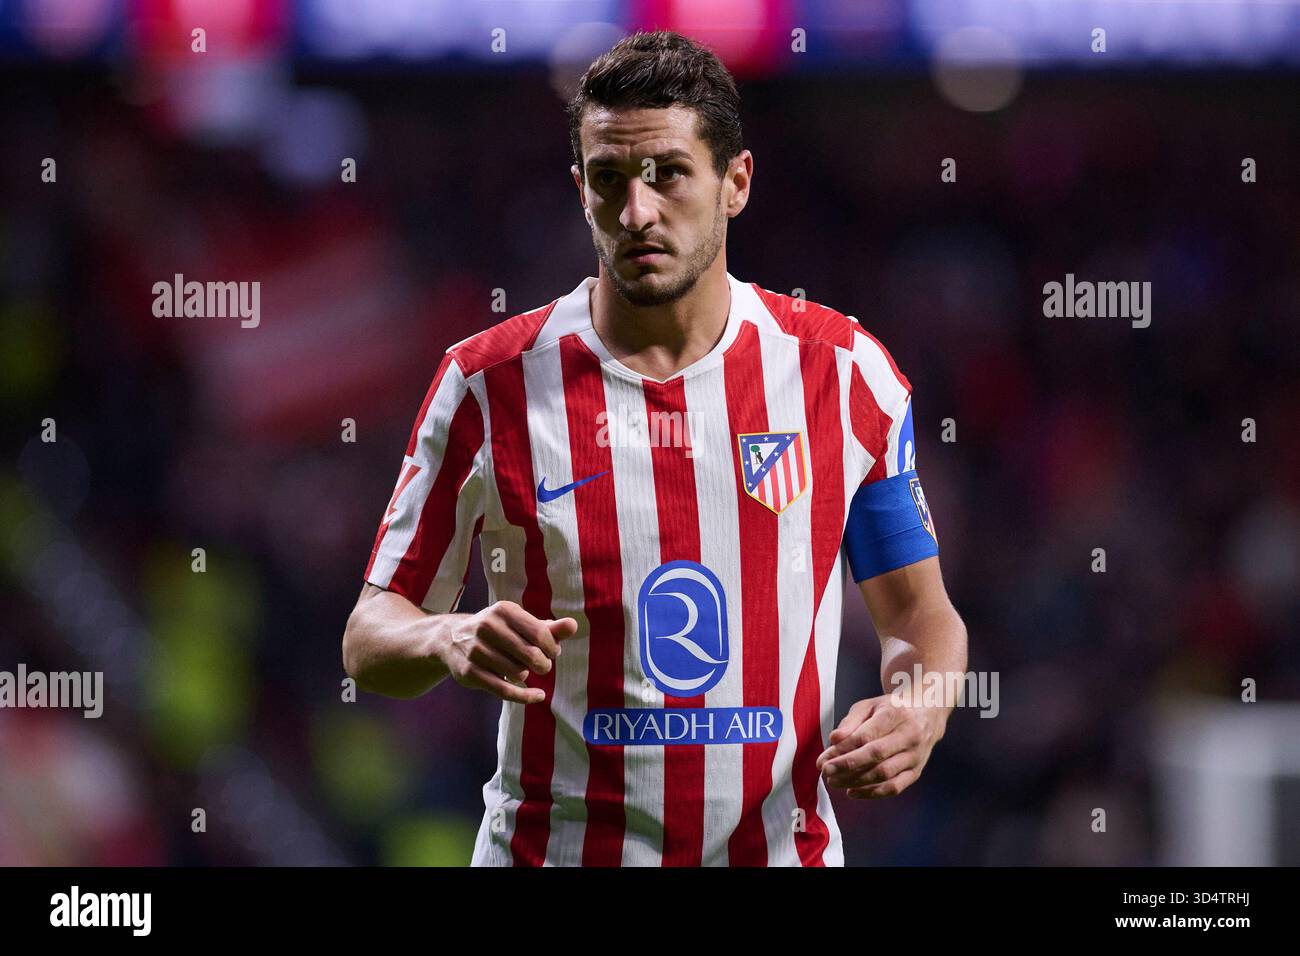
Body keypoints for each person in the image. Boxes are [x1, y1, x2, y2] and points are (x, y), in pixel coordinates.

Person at [342, 30, 967, 867]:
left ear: (735, 181)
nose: (637, 212)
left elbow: (919, 616)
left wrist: (920, 707)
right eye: (609, 180)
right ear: (581, 190)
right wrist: (445, 640)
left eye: (668, 173)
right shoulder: (486, 385)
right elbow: (371, 634)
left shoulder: (845, 377)